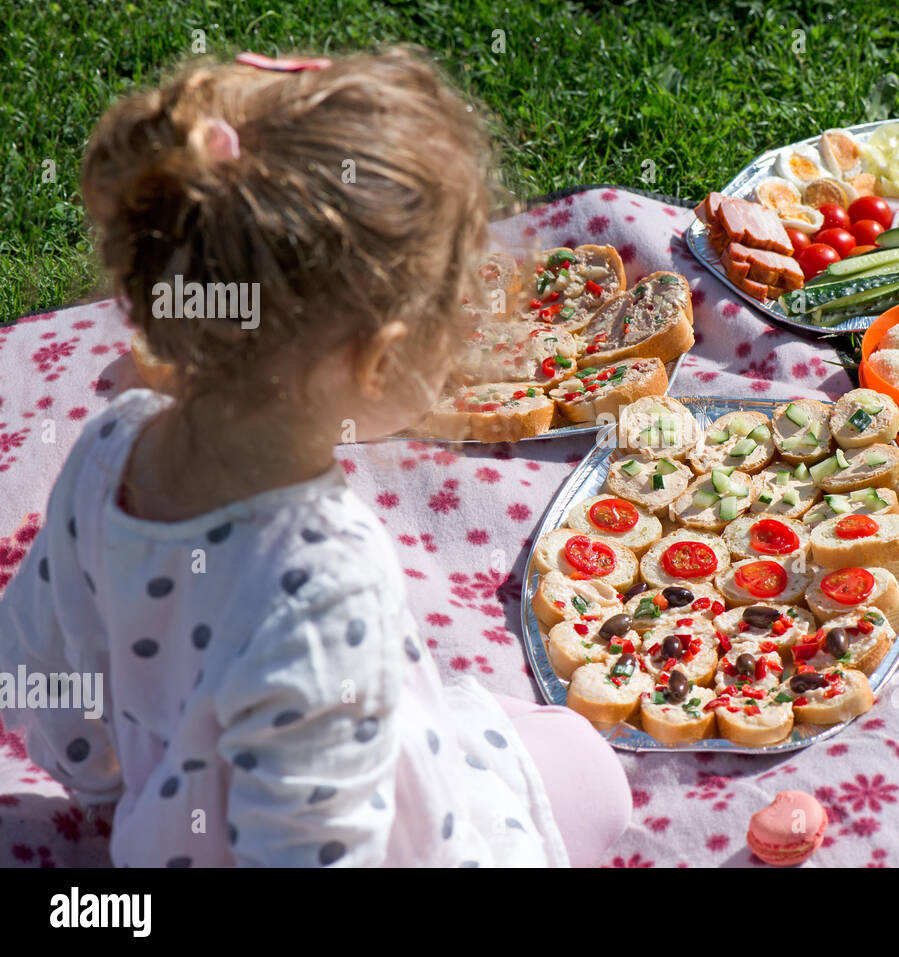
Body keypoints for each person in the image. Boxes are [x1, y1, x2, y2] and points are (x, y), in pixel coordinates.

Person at [0, 48, 630, 867]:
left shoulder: (110, 445)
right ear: (378, 360)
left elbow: (39, 670)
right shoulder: (328, 583)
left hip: (166, 826)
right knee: (592, 774)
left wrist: (122, 798)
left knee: (506, 732)